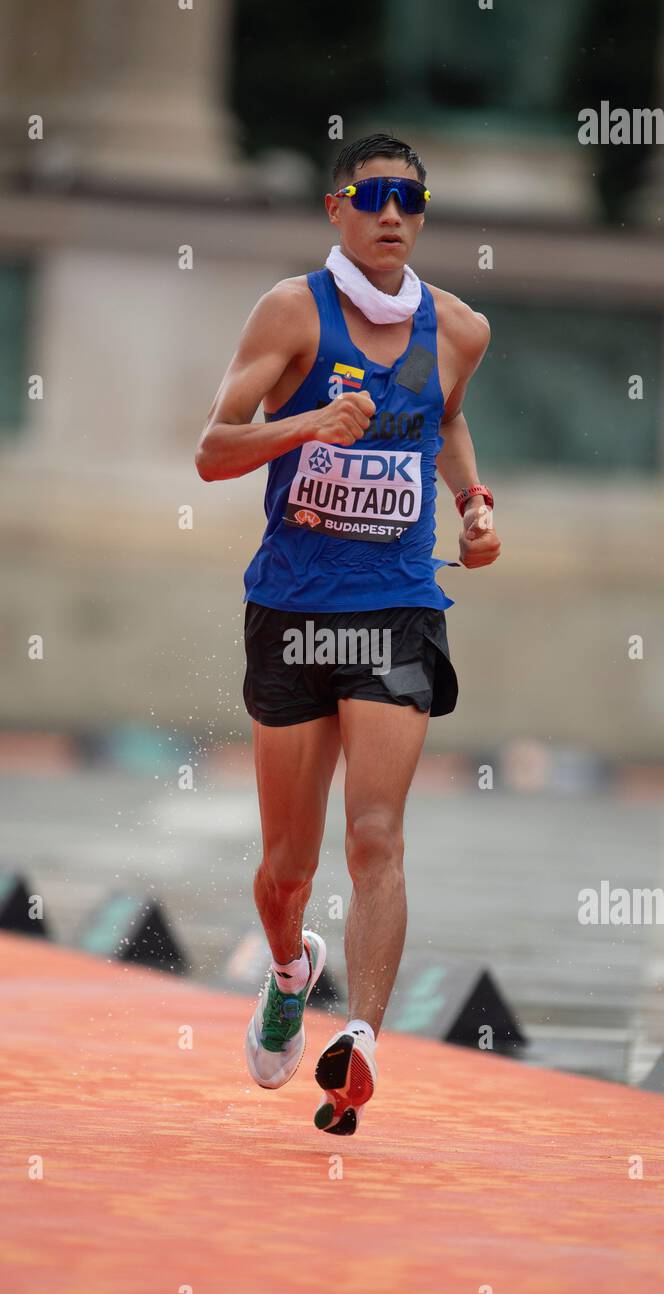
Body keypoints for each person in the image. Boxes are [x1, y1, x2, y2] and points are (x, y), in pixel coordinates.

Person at [196, 133, 500, 1134]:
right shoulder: (291, 312)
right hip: (291, 608)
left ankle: (359, 1040)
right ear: (336, 207)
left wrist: (471, 503)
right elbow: (211, 450)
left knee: (375, 835)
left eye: (409, 199)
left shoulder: (458, 328)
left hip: (396, 607)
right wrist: (303, 426)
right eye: (370, 195)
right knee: (288, 867)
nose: (390, 214)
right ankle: (290, 972)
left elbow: (445, 419)